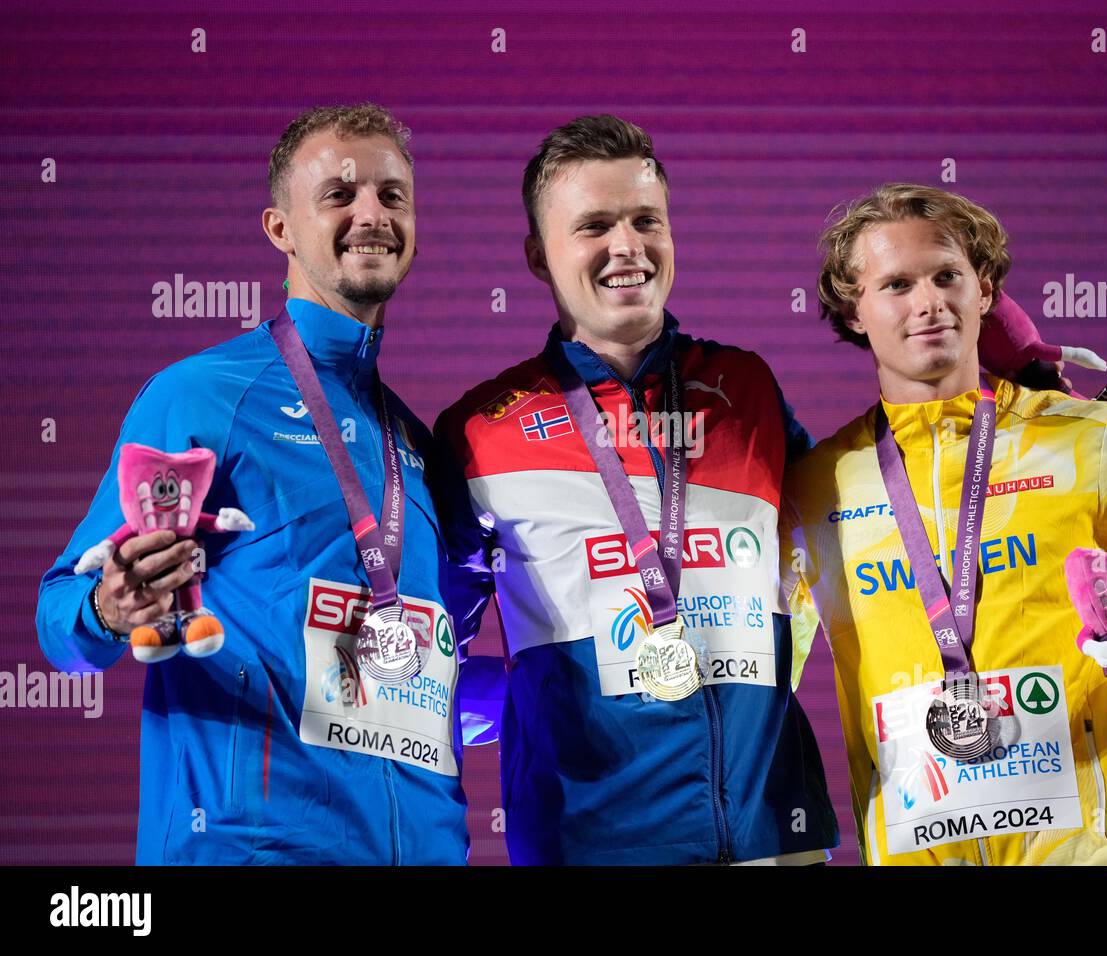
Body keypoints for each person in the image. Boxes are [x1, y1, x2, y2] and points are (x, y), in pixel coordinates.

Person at [36, 103, 473, 864]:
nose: (371, 214)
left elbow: (429, 662)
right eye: (339, 195)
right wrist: (109, 609)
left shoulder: (415, 441)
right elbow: (59, 621)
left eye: (391, 195)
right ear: (280, 229)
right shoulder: (203, 396)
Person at [780, 183, 1107, 865]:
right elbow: (763, 681)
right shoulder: (818, 486)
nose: (928, 302)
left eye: (947, 276)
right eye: (896, 285)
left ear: (983, 290)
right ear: (854, 311)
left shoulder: (1095, 443)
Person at [432, 115, 839, 865]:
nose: (628, 246)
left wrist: (1010, 371)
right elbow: (430, 645)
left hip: (774, 838)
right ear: (537, 255)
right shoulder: (482, 431)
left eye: (646, 220)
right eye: (594, 226)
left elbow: (866, 513)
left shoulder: (746, 387)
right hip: (589, 846)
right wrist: (535, 701)